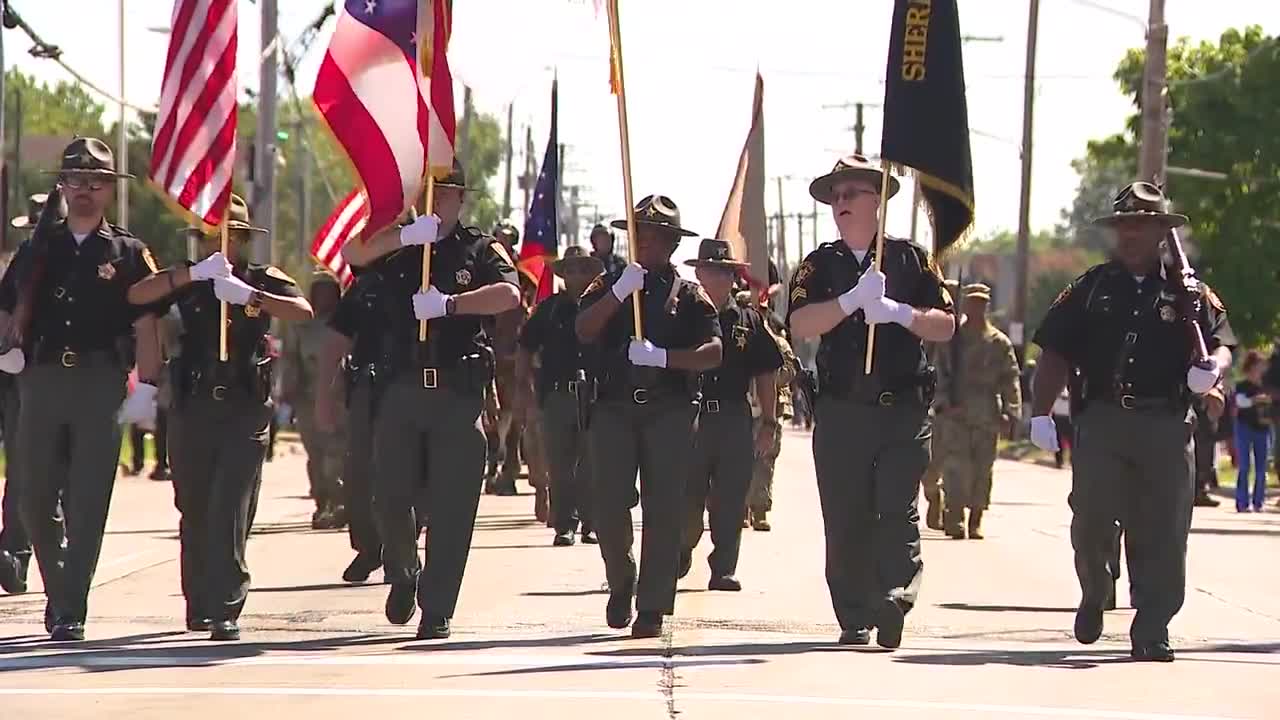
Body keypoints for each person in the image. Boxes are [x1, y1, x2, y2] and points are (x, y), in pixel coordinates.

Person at [1029, 181, 1235, 662]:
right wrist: (1040, 413)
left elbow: (1222, 343)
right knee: (1093, 518)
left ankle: (1153, 624)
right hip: (1103, 419)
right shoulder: (1091, 286)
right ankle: (1096, 590)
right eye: (1124, 224)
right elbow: (1054, 351)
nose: (1131, 233)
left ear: (1162, 231)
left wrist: (1212, 370)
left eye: (1142, 223)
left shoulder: (1189, 291)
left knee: (1163, 529)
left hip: (1166, 422)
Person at [340, 163, 520, 640]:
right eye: (429, 193)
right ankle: (402, 571)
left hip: (457, 393)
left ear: (461, 200)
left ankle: (437, 607)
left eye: (446, 194)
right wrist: (404, 238)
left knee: (454, 505)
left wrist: (450, 304)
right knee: (391, 497)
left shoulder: (479, 248)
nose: (437, 203)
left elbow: (509, 294)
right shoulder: (401, 246)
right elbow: (353, 253)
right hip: (400, 388)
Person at [787, 155, 956, 649]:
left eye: (851, 194)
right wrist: (848, 303)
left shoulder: (910, 259)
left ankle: (896, 596)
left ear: (877, 199)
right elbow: (798, 323)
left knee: (896, 510)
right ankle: (854, 614)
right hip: (842, 410)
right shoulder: (819, 265)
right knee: (845, 515)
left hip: (901, 409)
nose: (840, 203)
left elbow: (945, 324)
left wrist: (898, 311)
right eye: (835, 196)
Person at [129, 194, 313, 641]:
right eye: (215, 234)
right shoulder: (186, 279)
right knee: (193, 506)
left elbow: (302, 311)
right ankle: (198, 601)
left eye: (232, 235)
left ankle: (226, 605)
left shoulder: (261, 280)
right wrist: (193, 274)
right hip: (192, 405)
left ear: (246, 240)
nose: (223, 242)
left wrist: (250, 296)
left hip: (243, 406)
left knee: (230, 505)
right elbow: (137, 295)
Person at [0, 138, 163, 641]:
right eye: (75, 180)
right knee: (32, 495)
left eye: (96, 182)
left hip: (99, 381)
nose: (85, 191)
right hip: (42, 377)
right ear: (62, 186)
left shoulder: (128, 252)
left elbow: (147, 322)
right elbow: (8, 307)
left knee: (88, 500)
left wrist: (149, 388)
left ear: (111, 189)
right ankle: (60, 587)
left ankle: (71, 605)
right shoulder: (36, 248)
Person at [575, 195, 721, 638]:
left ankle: (653, 606)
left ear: (673, 244)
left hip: (668, 411)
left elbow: (713, 353)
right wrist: (620, 293)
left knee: (664, 510)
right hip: (614, 408)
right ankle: (621, 580)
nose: (646, 243)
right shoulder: (611, 283)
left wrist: (664, 358)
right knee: (607, 504)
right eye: (639, 233)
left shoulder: (689, 294)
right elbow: (582, 329)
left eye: (657, 236)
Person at [677, 239, 782, 591]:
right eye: (710, 270)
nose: (716, 278)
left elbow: (767, 371)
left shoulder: (748, 320)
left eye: (724, 272)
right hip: (689, 417)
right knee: (687, 495)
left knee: (731, 498)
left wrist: (769, 421)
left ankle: (723, 567)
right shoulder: (681, 313)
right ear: (697, 272)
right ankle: (680, 547)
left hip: (734, 417)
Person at [0, 192, 67, 600]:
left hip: (75, 380)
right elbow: (6, 309)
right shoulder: (24, 261)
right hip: (24, 380)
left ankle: (62, 568)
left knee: (63, 478)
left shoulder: (94, 253)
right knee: (26, 471)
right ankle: (15, 555)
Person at [517, 245, 601, 546]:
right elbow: (525, 345)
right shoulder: (549, 309)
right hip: (557, 394)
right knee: (560, 464)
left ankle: (592, 523)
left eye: (583, 270)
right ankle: (565, 523)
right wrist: (524, 386)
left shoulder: (603, 306)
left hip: (595, 396)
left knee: (593, 462)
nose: (577, 276)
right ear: (562, 275)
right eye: (571, 270)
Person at [316, 259, 389, 583]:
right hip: (369, 390)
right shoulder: (366, 288)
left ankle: (401, 551)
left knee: (410, 475)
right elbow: (335, 343)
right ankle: (369, 547)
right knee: (358, 473)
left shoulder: (432, 276)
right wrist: (324, 398)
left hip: (417, 388)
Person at [934, 282, 1021, 540]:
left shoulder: (999, 342)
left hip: (986, 413)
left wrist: (1010, 411)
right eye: (972, 302)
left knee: (983, 469)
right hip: (955, 412)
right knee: (955, 467)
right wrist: (942, 402)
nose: (976, 307)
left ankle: (976, 519)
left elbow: (1010, 378)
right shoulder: (951, 340)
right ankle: (955, 516)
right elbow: (938, 373)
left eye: (981, 303)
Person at [283, 271, 347, 529]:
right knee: (317, 455)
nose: (324, 298)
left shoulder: (347, 324)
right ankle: (322, 502)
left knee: (338, 453)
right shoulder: (302, 328)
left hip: (342, 398)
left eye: (329, 292)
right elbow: (290, 360)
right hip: (308, 398)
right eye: (319, 292)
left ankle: (341, 501)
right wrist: (288, 391)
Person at [746, 288, 798, 532]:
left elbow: (789, 370)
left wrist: (769, 376)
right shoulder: (740, 332)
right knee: (739, 459)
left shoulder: (778, 341)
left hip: (770, 406)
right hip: (740, 406)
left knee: (765, 459)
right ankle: (739, 507)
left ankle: (760, 509)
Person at [920, 278, 962, 530]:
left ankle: (954, 514)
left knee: (958, 464)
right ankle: (934, 496)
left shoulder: (969, 333)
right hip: (932, 405)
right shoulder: (929, 326)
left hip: (961, 409)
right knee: (928, 464)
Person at [1232, 350, 1271, 512]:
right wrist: (1255, 400)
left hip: (1263, 429)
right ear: (1251, 367)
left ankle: (1258, 502)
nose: (1262, 370)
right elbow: (1240, 402)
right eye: (1259, 366)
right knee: (1245, 466)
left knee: (1262, 467)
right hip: (1244, 427)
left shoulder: (1267, 387)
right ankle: (1242, 502)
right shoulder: (1242, 385)